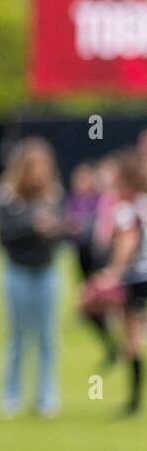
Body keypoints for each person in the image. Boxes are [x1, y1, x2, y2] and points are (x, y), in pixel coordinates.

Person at [0, 138, 65, 418]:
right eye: (35, 167)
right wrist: (32, 226)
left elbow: (62, 234)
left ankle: (47, 396)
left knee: (48, 335)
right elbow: (2, 233)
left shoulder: (53, 195)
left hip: (46, 270)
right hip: (17, 270)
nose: (41, 173)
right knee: (18, 336)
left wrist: (54, 229)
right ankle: (11, 394)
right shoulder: (7, 196)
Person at [89, 148, 145, 415]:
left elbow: (129, 239)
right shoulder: (143, 201)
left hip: (137, 276)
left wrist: (113, 271)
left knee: (131, 336)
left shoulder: (125, 207)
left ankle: (133, 402)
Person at [66, 159, 119, 365]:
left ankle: (116, 347)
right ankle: (113, 346)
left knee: (97, 301)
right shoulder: (95, 200)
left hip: (109, 260)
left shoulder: (112, 201)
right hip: (87, 254)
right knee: (89, 302)